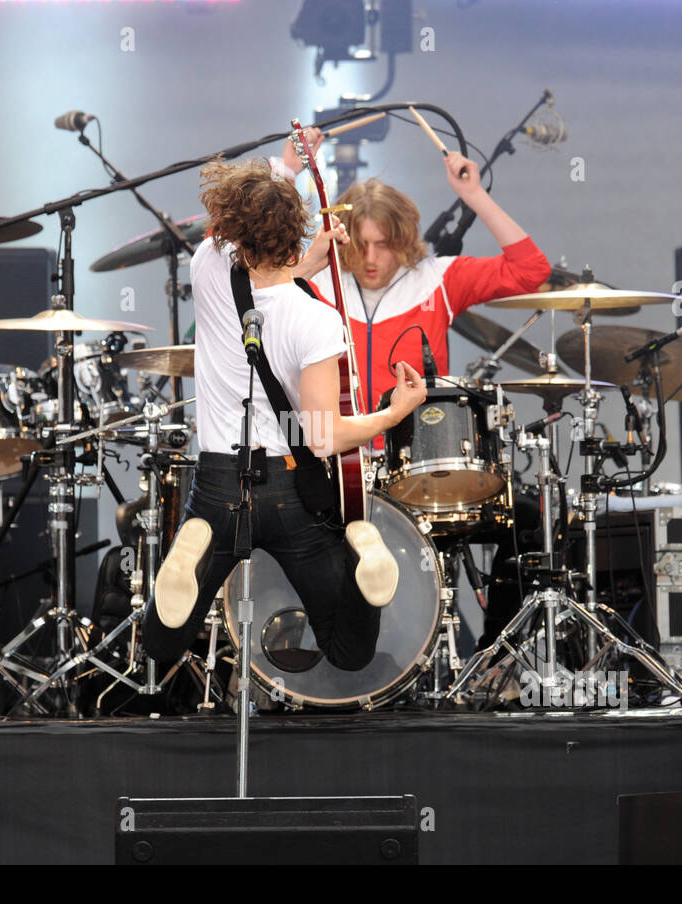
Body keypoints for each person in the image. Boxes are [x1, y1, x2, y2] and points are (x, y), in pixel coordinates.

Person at [141, 159, 427, 671]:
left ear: (231, 228)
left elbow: (250, 269)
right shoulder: (317, 320)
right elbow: (322, 437)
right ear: (296, 239)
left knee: (159, 649)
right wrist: (393, 413)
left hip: (217, 486)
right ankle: (366, 556)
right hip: (289, 492)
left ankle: (193, 545)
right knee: (347, 652)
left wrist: (285, 167)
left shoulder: (207, 264)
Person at [303, 153, 553, 411]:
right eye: (361, 244)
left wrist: (474, 195)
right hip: (337, 447)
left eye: (382, 244)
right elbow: (264, 300)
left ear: (403, 239)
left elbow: (531, 270)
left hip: (420, 445)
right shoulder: (316, 282)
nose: (370, 258)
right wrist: (286, 172)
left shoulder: (439, 279)